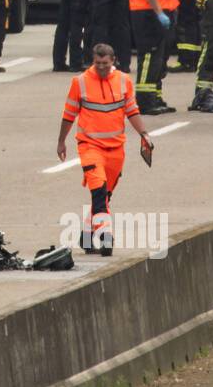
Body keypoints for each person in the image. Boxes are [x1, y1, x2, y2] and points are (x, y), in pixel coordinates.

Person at [57, 43, 154, 256]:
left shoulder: (123, 81)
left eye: (105, 63)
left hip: (116, 149)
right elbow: (69, 114)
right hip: (89, 146)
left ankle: (85, 234)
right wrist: (61, 141)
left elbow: (131, 110)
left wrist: (144, 134)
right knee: (99, 192)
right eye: (97, 63)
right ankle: (106, 235)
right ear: (93, 61)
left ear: (113, 61)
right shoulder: (80, 82)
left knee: (105, 196)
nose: (101, 67)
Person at [128, 0, 178, 115]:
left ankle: (155, 97)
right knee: (149, 56)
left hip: (153, 12)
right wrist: (158, 12)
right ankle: (144, 101)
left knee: (158, 58)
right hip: (148, 14)